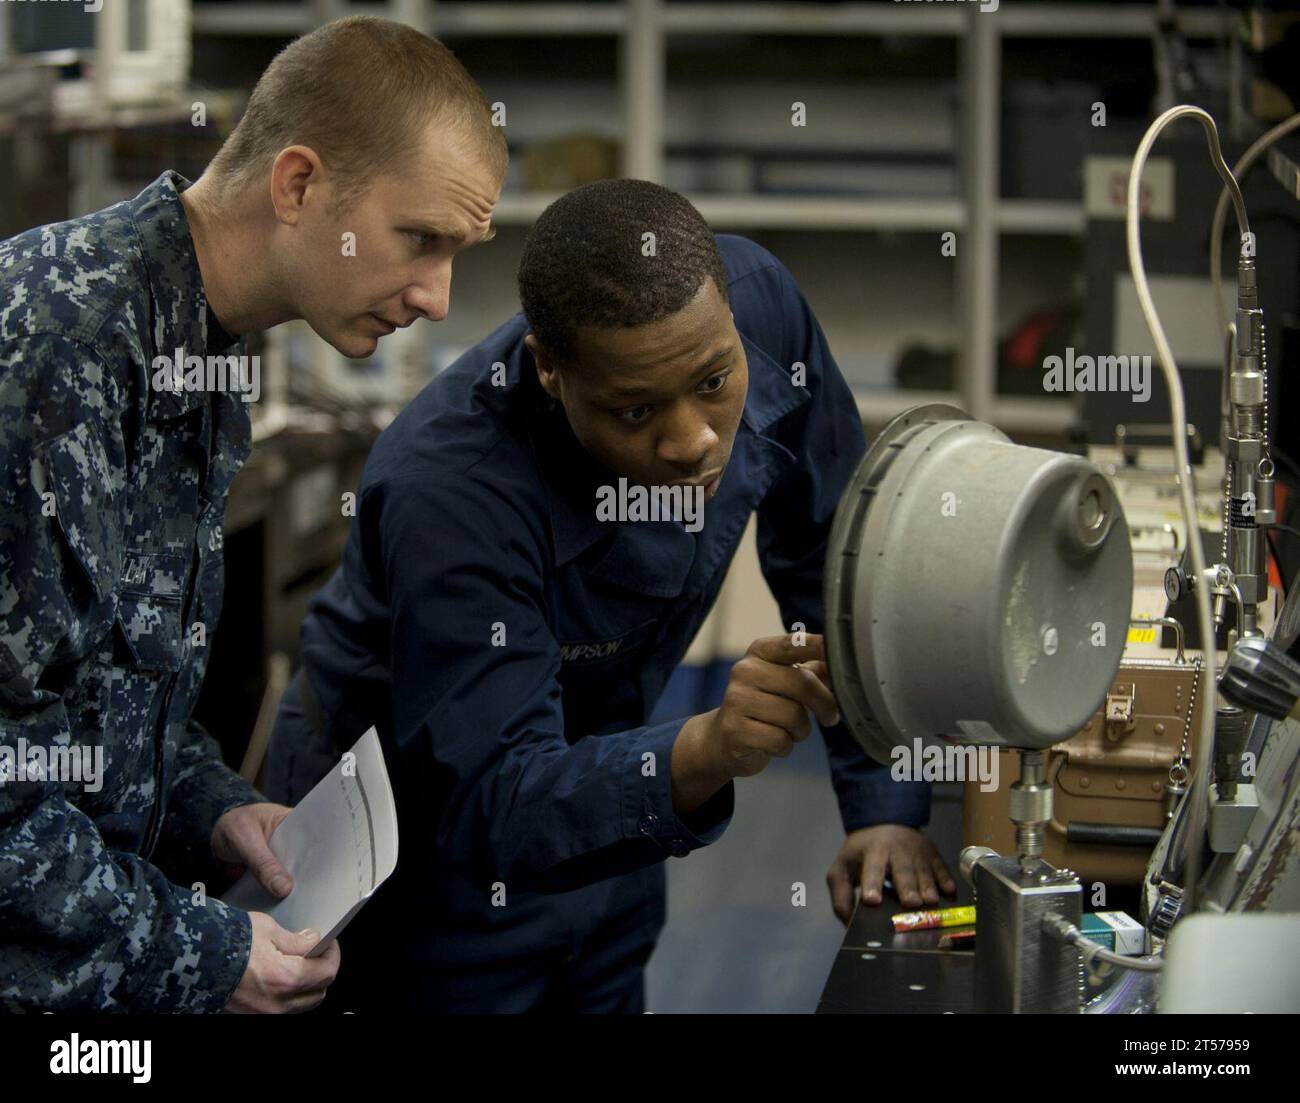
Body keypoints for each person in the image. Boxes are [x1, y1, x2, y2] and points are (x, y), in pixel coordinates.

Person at [264, 179, 955, 1013]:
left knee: (604, 972)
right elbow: (499, 803)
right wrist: (704, 748)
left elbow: (835, 562)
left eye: (713, 381)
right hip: (424, 834)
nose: (693, 440)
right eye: (635, 410)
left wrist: (881, 805)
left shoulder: (761, 304)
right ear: (549, 372)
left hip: (614, 782)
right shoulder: (451, 492)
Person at [0, 15, 505, 1012]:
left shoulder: (198, 343)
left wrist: (217, 808)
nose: (441, 298)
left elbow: (88, 699)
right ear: (299, 184)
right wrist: (197, 950)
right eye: (421, 239)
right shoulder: (48, 357)